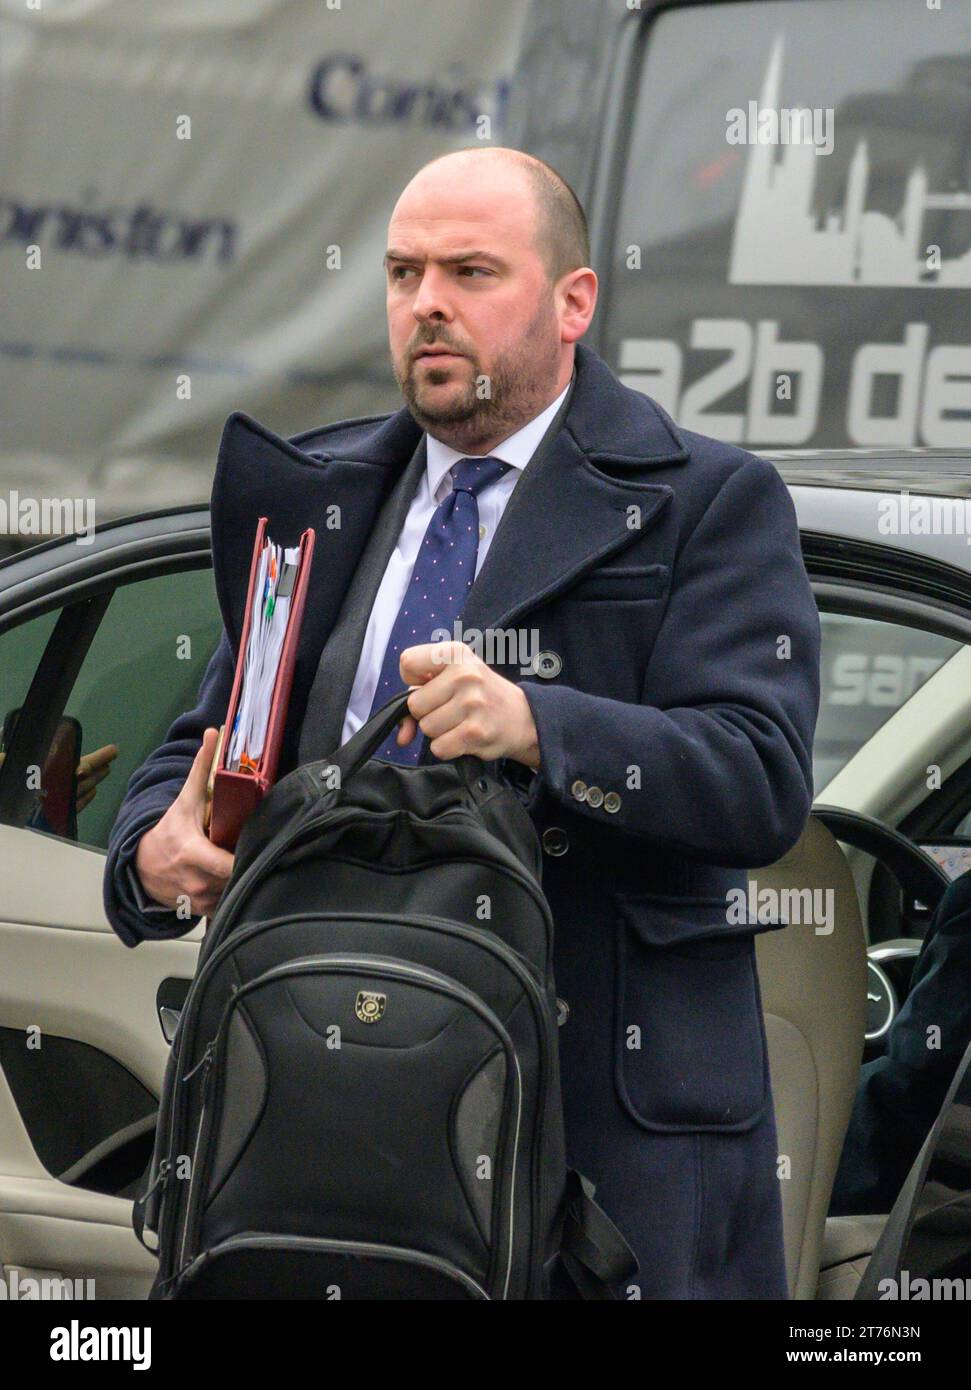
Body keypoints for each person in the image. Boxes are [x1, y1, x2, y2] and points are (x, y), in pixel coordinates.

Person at [103, 147, 820, 1298]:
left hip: (600, 1145)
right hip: (323, 1125)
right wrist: (151, 849)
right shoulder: (317, 500)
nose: (425, 303)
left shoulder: (706, 502)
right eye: (400, 272)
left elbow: (756, 778)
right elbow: (202, 746)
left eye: (470, 271)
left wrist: (539, 724)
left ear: (572, 300)